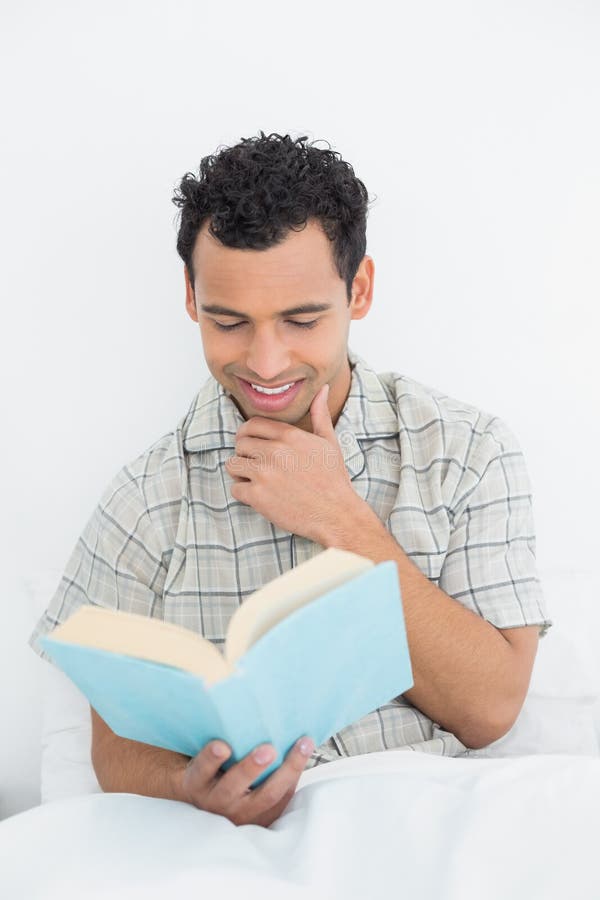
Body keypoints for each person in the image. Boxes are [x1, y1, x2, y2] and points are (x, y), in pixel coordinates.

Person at [29, 131, 553, 828]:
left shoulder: (468, 450)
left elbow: (491, 711)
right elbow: (113, 748)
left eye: (302, 319)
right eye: (229, 322)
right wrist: (191, 786)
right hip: (241, 849)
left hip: (431, 824)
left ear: (358, 289)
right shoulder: (144, 498)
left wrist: (341, 519)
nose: (266, 362)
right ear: (191, 298)